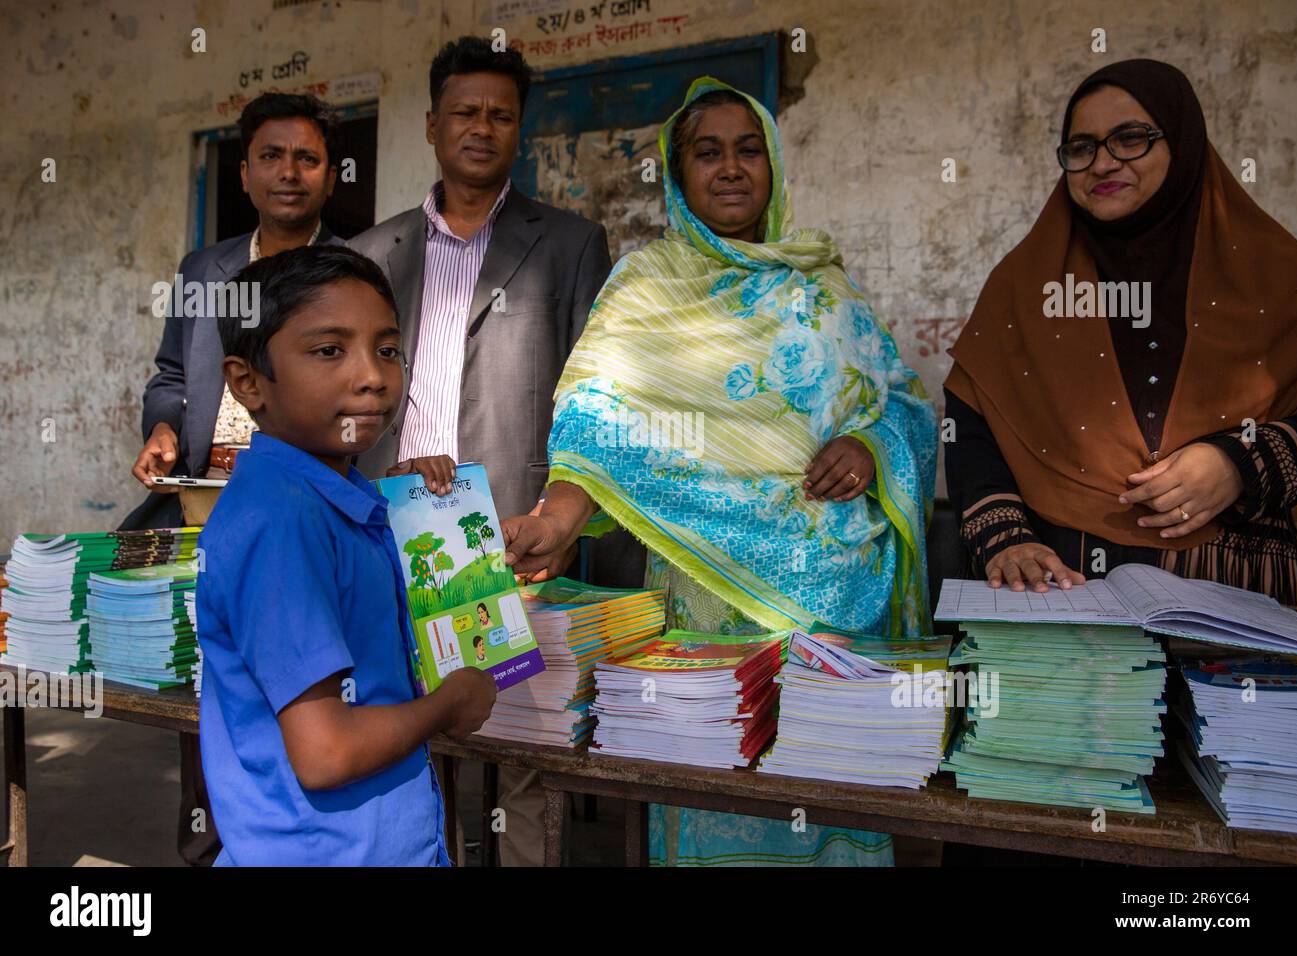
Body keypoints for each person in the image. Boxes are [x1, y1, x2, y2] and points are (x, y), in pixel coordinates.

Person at [501, 77, 937, 866]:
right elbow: (596, 430)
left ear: (772, 167)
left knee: (830, 804)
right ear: (678, 174)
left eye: (748, 151)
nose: (731, 168)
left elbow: (904, 406)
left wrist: (873, 447)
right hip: (710, 607)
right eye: (708, 152)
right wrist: (556, 523)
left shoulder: (823, 286)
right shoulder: (644, 289)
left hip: (837, 607)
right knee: (715, 773)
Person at [348, 36, 617, 867]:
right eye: (465, 111)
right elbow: (346, 404)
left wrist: (562, 517)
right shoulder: (369, 255)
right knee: (405, 734)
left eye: (502, 115)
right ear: (431, 125)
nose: (482, 127)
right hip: (395, 532)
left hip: (515, 536)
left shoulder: (571, 244)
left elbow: (593, 402)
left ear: (520, 132)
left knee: (523, 758)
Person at [944, 59, 1297, 604]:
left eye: (1130, 138)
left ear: (1181, 144)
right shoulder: (1024, 283)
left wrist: (1242, 461)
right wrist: (1004, 539)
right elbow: (971, 422)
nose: (1102, 163)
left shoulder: (1277, 274)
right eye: (1081, 147)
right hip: (1063, 594)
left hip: (1243, 599)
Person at [196, 244, 497, 866]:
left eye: (387, 349)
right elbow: (326, 752)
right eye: (329, 350)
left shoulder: (336, 496)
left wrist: (423, 515)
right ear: (248, 382)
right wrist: (448, 704)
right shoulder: (280, 522)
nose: (372, 376)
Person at [122, 91, 344, 866]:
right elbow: (170, 375)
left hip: (301, 517)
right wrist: (160, 426)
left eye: (307, 159)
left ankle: (293, 842)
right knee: (206, 689)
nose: (290, 173)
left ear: (330, 175)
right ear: (245, 172)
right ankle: (209, 844)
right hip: (202, 511)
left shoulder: (349, 273)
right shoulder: (203, 269)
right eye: (273, 157)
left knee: (297, 690)